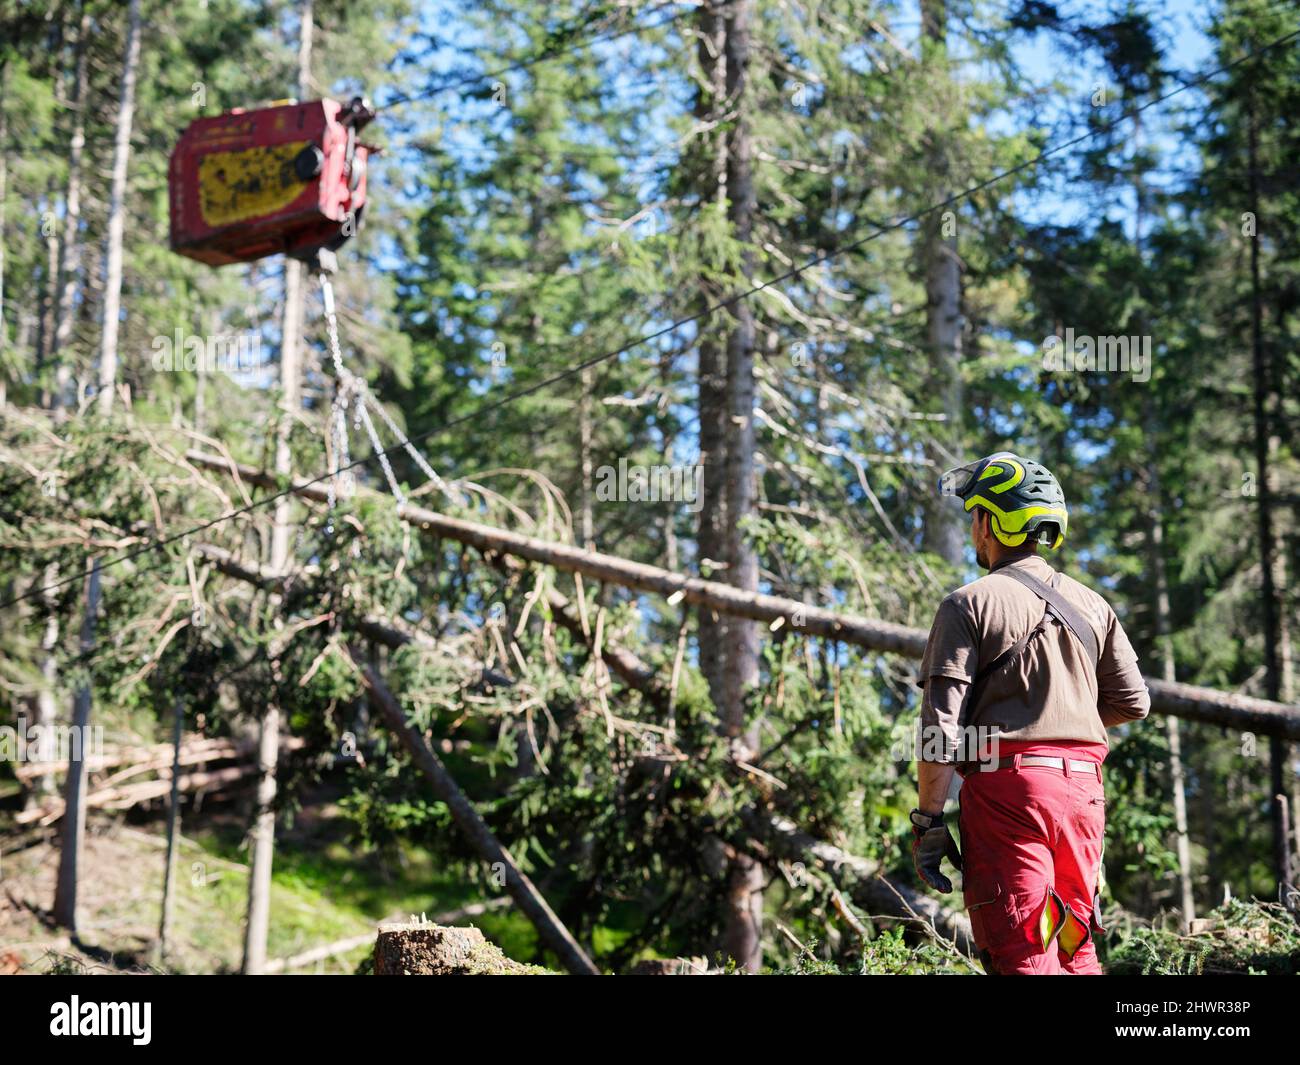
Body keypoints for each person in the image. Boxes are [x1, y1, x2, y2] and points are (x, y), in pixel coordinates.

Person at [909, 451, 1150, 974]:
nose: (973, 529)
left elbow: (939, 732)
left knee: (1021, 950)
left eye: (975, 515)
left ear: (990, 523)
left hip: (1010, 795)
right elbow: (1134, 702)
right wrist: (1060, 723)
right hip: (1085, 791)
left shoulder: (966, 604)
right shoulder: (1093, 604)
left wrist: (928, 819)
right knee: (1074, 945)